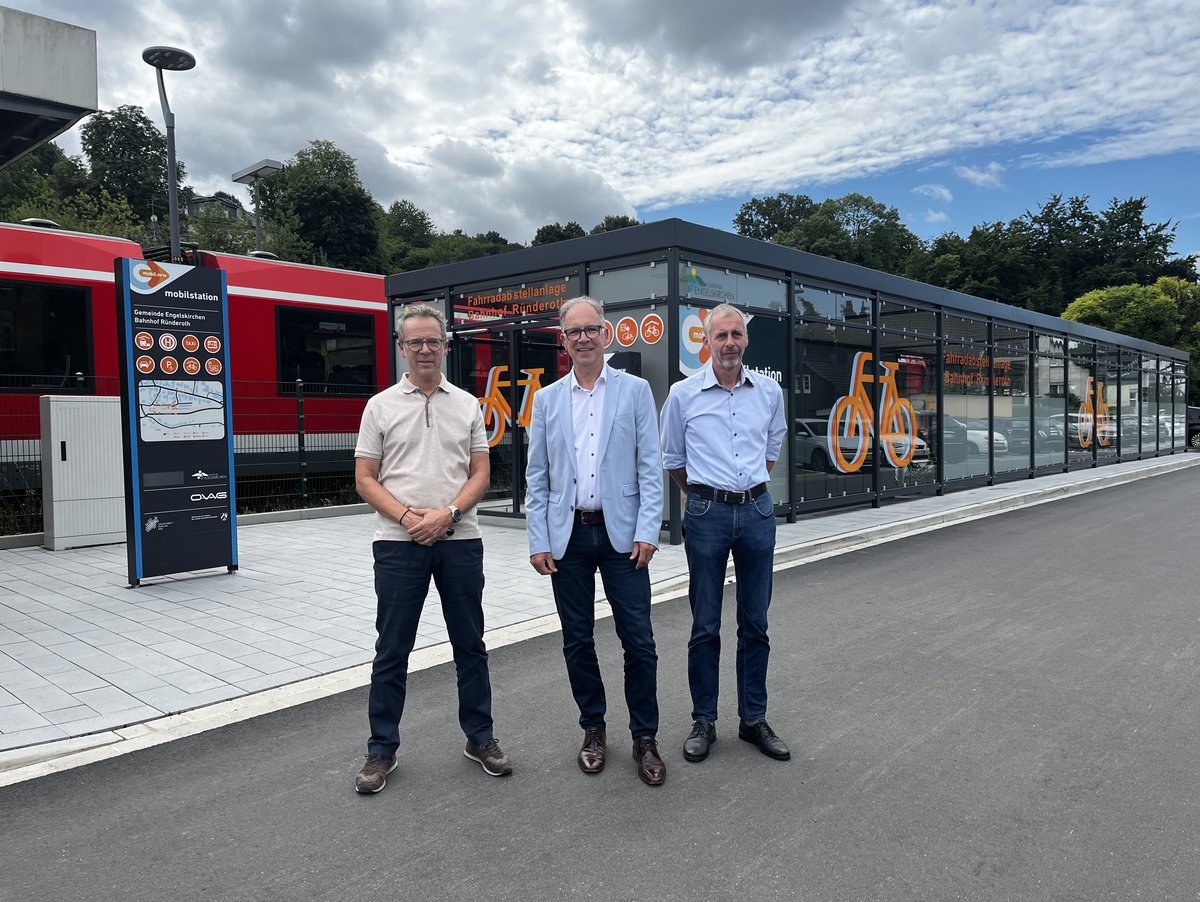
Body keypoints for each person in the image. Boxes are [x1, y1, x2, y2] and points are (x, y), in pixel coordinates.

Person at [352, 304, 512, 794]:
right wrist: (406, 518)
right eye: (415, 342)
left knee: (470, 645)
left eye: (433, 341)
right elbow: (364, 478)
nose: (425, 349)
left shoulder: (467, 404)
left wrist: (449, 515)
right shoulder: (379, 406)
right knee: (391, 650)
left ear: (446, 346)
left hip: (460, 540)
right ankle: (382, 749)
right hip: (398, 544)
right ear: (402, 348)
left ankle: (479, 737)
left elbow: (481, 472)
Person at [525, 296, 666, 786]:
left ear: (606, 334)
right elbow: (538, 477)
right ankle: (593, 728)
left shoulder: (635, 391)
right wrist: (538, 539)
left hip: (622, 536)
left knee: (640, 641)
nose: (583, 337)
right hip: (568, 539)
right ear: (563, 340)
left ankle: (644, 737)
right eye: (574, 331)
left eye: (592, 329)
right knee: (577, 640)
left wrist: (650, 529)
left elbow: (651, 467)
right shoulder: (546, 400)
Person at [658, 303, 790, 763]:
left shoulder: (769, 392)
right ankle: (704, 720)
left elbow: (772, 447)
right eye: (721, 336)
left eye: (737, 334)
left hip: (756, 510)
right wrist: (703, 496)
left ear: (746, 341)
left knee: (756, 623)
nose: (730, 342)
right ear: (707, 342)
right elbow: (673, 458)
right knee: (705, 624)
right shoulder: (683, 394)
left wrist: (748, 486)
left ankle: (753, 719)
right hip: (706, 513)